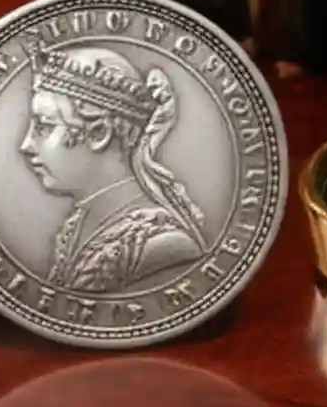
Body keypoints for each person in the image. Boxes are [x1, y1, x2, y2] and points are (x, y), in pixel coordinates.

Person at [18, 42, 206, 292]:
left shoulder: (163, 246)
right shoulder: (76, 227)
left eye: (43, 126)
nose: (26, 145)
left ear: (99, 134)